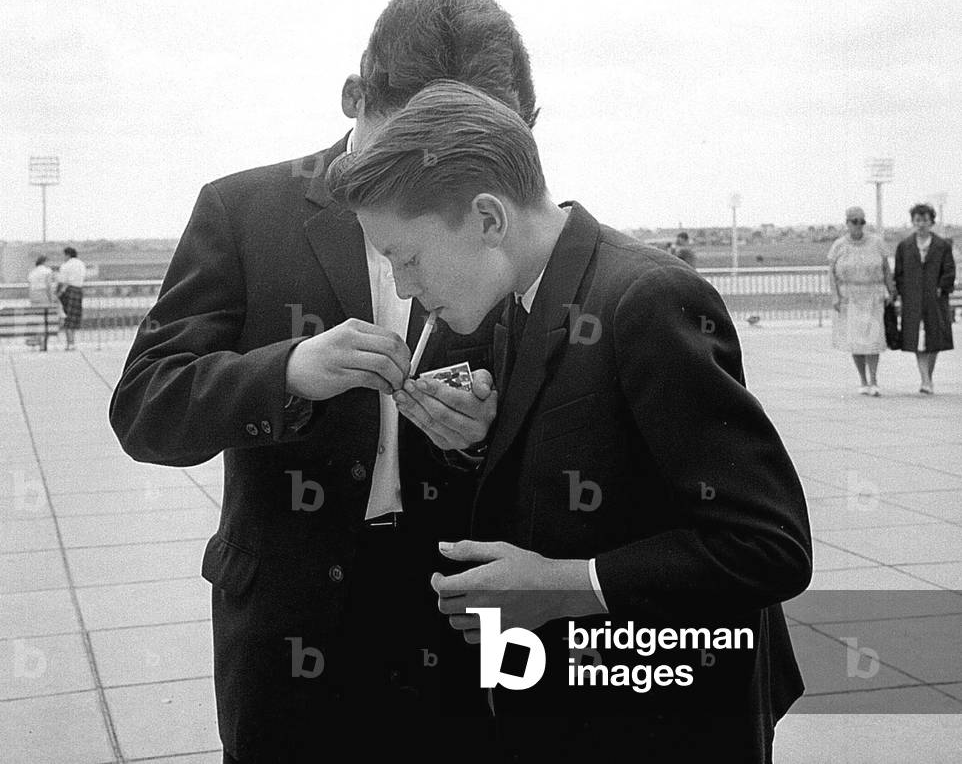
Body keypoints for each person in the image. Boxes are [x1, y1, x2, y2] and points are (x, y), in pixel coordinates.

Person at [109, 0, 540, 762]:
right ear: (352, 98)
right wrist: (288, 373)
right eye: (404, 144)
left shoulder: (493, 218)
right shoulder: (242, 211)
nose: (424, 177)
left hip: (450, 612)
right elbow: (144, 406)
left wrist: (480, 430)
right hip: (285, 615)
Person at [327, 82, 813, 763]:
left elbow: (768, 544)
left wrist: (561, 584)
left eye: (407, 258)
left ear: (489, 218)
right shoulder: (516, 297)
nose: (403, 289)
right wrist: (472, 442)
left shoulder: (645, 298)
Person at [827, 206, 895, 396]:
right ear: (847, 223)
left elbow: (886, 269)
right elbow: (831, 273)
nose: (858, 225)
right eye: (854, 221)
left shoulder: (877, 243)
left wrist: (891, 290)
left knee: (873, 339)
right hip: (850, 298)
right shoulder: (839, 245)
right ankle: (863, 380)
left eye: (862, 221)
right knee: (855, 341)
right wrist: (835, 296)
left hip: (873, 296)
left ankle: (874, 380)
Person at [894, 203, 956, 394]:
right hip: (913, 299)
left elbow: (949, 270)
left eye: (925, 220)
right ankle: (925, 380)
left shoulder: (942, 245)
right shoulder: (905, 246)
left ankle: (927, 377)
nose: (921, 224)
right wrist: (903, 292)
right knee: (916, 338)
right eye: (918, 220)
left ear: (931, 222)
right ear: (913, 221)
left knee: (934, 339)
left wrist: (941, 287)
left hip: (934, 299)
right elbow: (899, 272)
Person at [56, 246, 86, 350]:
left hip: (69, 291)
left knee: (67, 318)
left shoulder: (66, 265)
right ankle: (73, 342)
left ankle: (69, 343)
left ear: (67, 254)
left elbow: (62, 281)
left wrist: (58, 294)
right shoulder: (81, 264)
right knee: (75, 318)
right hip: (79, 290)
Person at [26, 254, 59, 348]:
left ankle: (37, 341)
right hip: (44, 296)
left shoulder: (32, 272)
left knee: (37, 320)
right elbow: (48, 287)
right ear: (44, 262)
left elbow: (30, 287)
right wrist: (52, 299)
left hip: (33, 297)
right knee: (45, 321)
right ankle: (43, 344)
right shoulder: (47, 271)